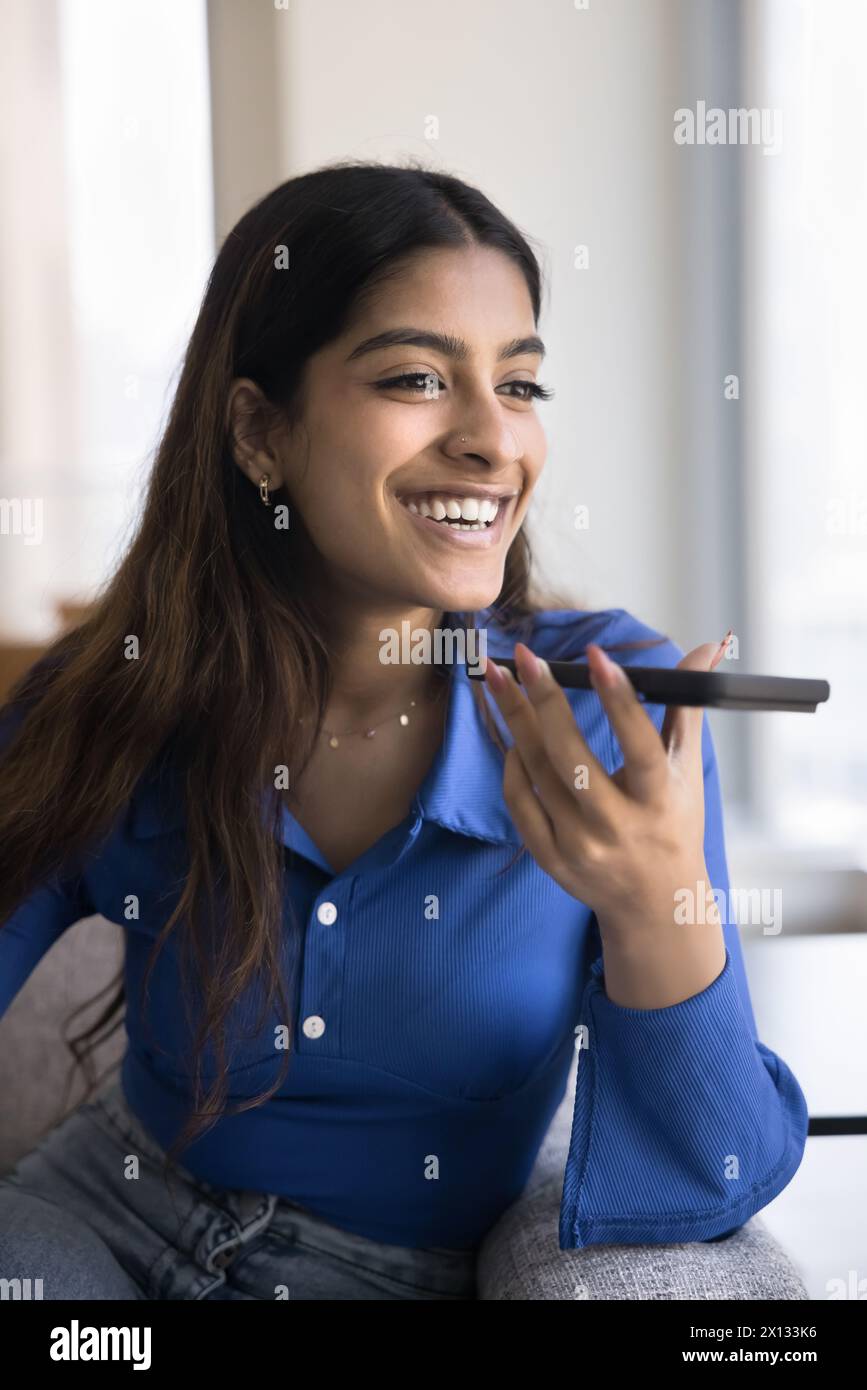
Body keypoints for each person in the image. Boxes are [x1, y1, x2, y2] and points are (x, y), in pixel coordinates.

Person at [0, 162, 808, 1300]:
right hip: (98, 1229)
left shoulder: (616, 707)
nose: (492, 439)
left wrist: (655, 903)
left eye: (521, 386)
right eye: (420, 377)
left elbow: (706, 1181)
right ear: (257, 432)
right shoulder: (117, 698)